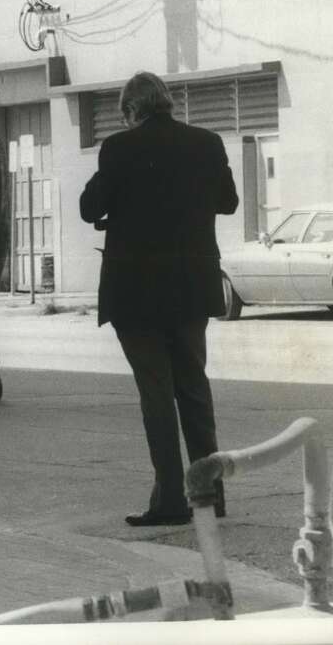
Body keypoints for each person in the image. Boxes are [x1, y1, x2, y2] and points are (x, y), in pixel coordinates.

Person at [80, 71, 238, 527]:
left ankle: (170, 500)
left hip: (136, 292)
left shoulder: (119, 149)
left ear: (131, 110)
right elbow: (227, 202)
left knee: (157, 394)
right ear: (167, 103)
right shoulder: (207, 143)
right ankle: (209, 495)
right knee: (194, 389)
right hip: (192, 286)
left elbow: (91, 207)